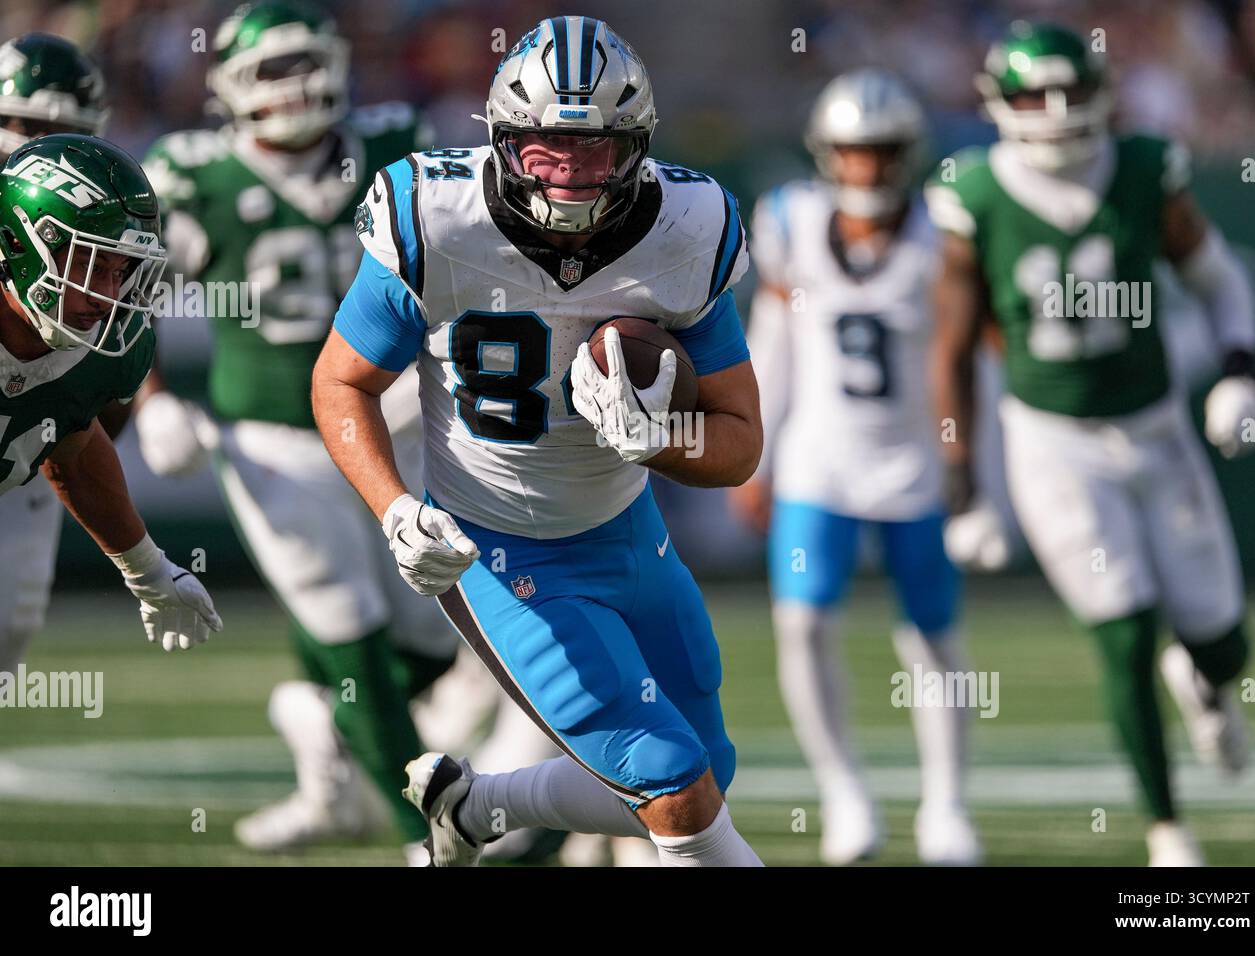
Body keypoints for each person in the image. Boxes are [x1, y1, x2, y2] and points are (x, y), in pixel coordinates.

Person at [313, 16, 764, 867]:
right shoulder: (434, 215)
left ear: (636, 148)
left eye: (593, 153)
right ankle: (476, 807)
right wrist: (395, 509)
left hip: (628, 531)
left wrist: (657, 441)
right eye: (546, 148)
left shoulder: (689, 225)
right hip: (498, 545)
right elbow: (341, 382)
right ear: (502, 140)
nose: (567, 175)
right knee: (671, 784)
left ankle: (474, 806)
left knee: (709, 769)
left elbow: (740, 443)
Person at [927, 21, 1255, 866]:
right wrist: (964, 484)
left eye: (1069, 91)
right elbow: (954, 350)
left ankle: (1206, 678)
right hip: (1052, 443)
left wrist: (1238, 370)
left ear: (1102, 93)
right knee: (1123, 628)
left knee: (1223, 640)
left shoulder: (1146, 169)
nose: (1053, 111)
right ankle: (1166, 830)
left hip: (1156, 431)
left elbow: (1218, 280)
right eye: (1034, 94)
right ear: (999, 103)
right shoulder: (978, 193)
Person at [136, 0, 456, 864]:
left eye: (304, 62)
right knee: (347, 623)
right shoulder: (192, 171)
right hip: (274, 437)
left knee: (435, 637)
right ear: (231, 87)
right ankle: (425, 836)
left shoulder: (397, 143)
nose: (296, 85)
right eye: (271, 70)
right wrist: (152, 396)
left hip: (394, 424)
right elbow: (124, 296)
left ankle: (325, 732)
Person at [732, 69, 980, 865]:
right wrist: (754, 451)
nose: (866, 170)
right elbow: (771, 340)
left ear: (906, 155)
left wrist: (972, 467)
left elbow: (973, 360)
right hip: (820, 460)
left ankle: (946, 803)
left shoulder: (944, 231)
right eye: (851, 153)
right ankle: (844, 792)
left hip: (912, 463)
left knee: (935, 636)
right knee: (801, 622)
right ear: (826, 154)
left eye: (879, 153)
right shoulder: (791, 220)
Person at [0, 133, 221, 658]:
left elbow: (71, 447)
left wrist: (146, 569)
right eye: (90, 264)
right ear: (20, 243)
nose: (108, 293)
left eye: (120, 270)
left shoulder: (102, 349)